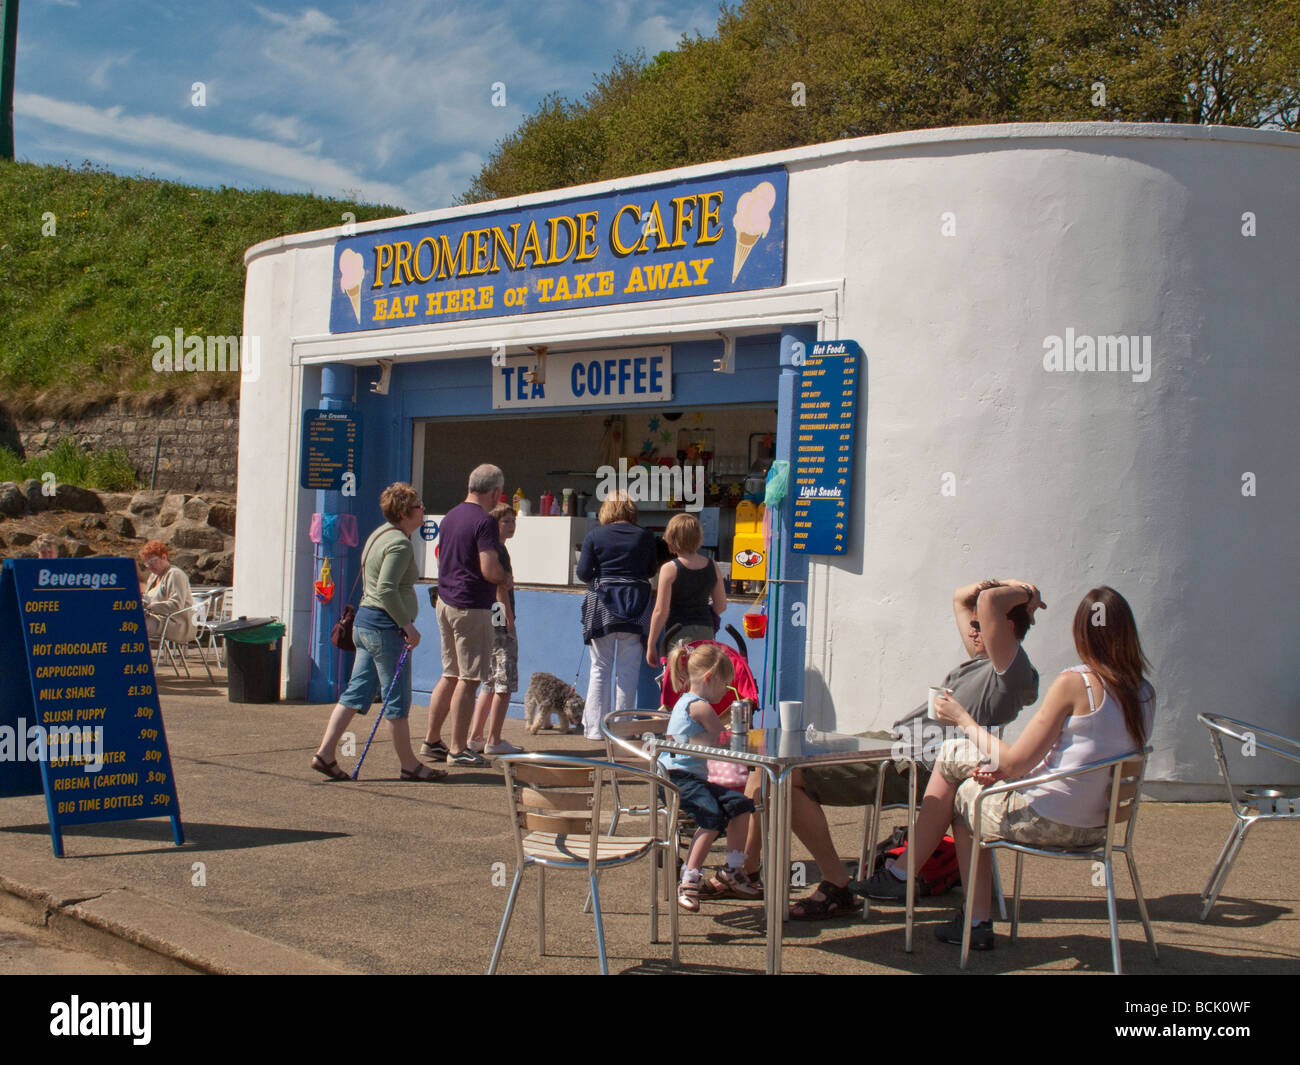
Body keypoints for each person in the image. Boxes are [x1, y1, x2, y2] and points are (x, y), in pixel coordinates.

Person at [873, 586, 1155, 951]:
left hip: (1049, 823)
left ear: (1081, 633)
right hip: (1097, 830)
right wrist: (1004, 771)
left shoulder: (1075, 683)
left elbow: (1017, 760)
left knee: (963, 792)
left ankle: (945, 901)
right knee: (967, 769)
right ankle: (915, 882)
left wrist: (962, 718)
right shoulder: (1144, 691)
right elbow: (1068, 760)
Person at [757, 578, 1043, 918]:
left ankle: (836, 883)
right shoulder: (982, 662)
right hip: (895, 743)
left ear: (1005, 627)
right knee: (767, 766)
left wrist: (1027, 594)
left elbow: (990, 602)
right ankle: (743, 869)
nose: (972, 630)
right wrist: (999, 586)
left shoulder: (1010, 673)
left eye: (980, 624)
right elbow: (960, 596)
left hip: (917, 764)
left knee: (787, 776)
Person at [312, 483, 443, 782]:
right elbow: (386, 589)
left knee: (355, 693)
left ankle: (326, 753)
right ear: (405, 512)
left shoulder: (379, 534)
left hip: (365, 624)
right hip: (385, 629)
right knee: (396, 701)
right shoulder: (399, 543)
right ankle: (410, 765)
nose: (423, 509)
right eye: (419, 505)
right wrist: (407, 626)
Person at [658, 642, 761, 912]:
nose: (726, 692)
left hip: (688, 778)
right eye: (724, 685)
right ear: (709, 678)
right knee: (712, 817)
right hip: (678, 780)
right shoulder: (701, 707)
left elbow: (710, 741)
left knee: (741, 806)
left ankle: (733, 869)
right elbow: (724, 741)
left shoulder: (684, 701)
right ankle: (689, 879)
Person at [422, 464, 512, 767]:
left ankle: (432, 740)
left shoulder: (451, 516)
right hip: (471, 606)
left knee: (449, 674)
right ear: (496, 492)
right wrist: (505, 578)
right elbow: (488, 568)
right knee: (469, 679)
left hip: (445, 602)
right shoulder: (485, 521)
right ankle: (458, 749)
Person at [576, 491, 656, 739]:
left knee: (600, 667)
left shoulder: (595, 535)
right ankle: (623, 729)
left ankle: (595, 730)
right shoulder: (645, 536)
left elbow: (582, 573)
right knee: (629, 669)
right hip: (637, 603)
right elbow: (651, 569)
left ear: (606, 511)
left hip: (602, 605)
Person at [467, 502, 523, 756]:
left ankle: (476, 736)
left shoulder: (489, 549)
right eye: (506, 522)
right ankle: (493, 738)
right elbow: (501, 586)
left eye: (513, 521)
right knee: (504, 679)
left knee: (489, 681)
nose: (511, 526)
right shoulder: (497, 551)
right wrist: (507, 617)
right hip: (498, 618)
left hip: (487, 617)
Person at [645, 512, 726, 668]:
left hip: (678, 632)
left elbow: (660, 611)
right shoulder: (712, 566)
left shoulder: (669, 569)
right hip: (706, 632)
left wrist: (651, 644)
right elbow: (721, 605)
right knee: (702, 682)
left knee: (679, 683)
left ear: (672, 538)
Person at [140, 541, 197, 645]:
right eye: (147, 563)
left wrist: (150, 607)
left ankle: (136, 657)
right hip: (158, 618)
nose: (149, 566)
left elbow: (176, 604)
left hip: (176, 623)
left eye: (152, 561)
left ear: (164, 557)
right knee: (125, 623)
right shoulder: (154, 576)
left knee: (135, 625)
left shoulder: (175, 574)